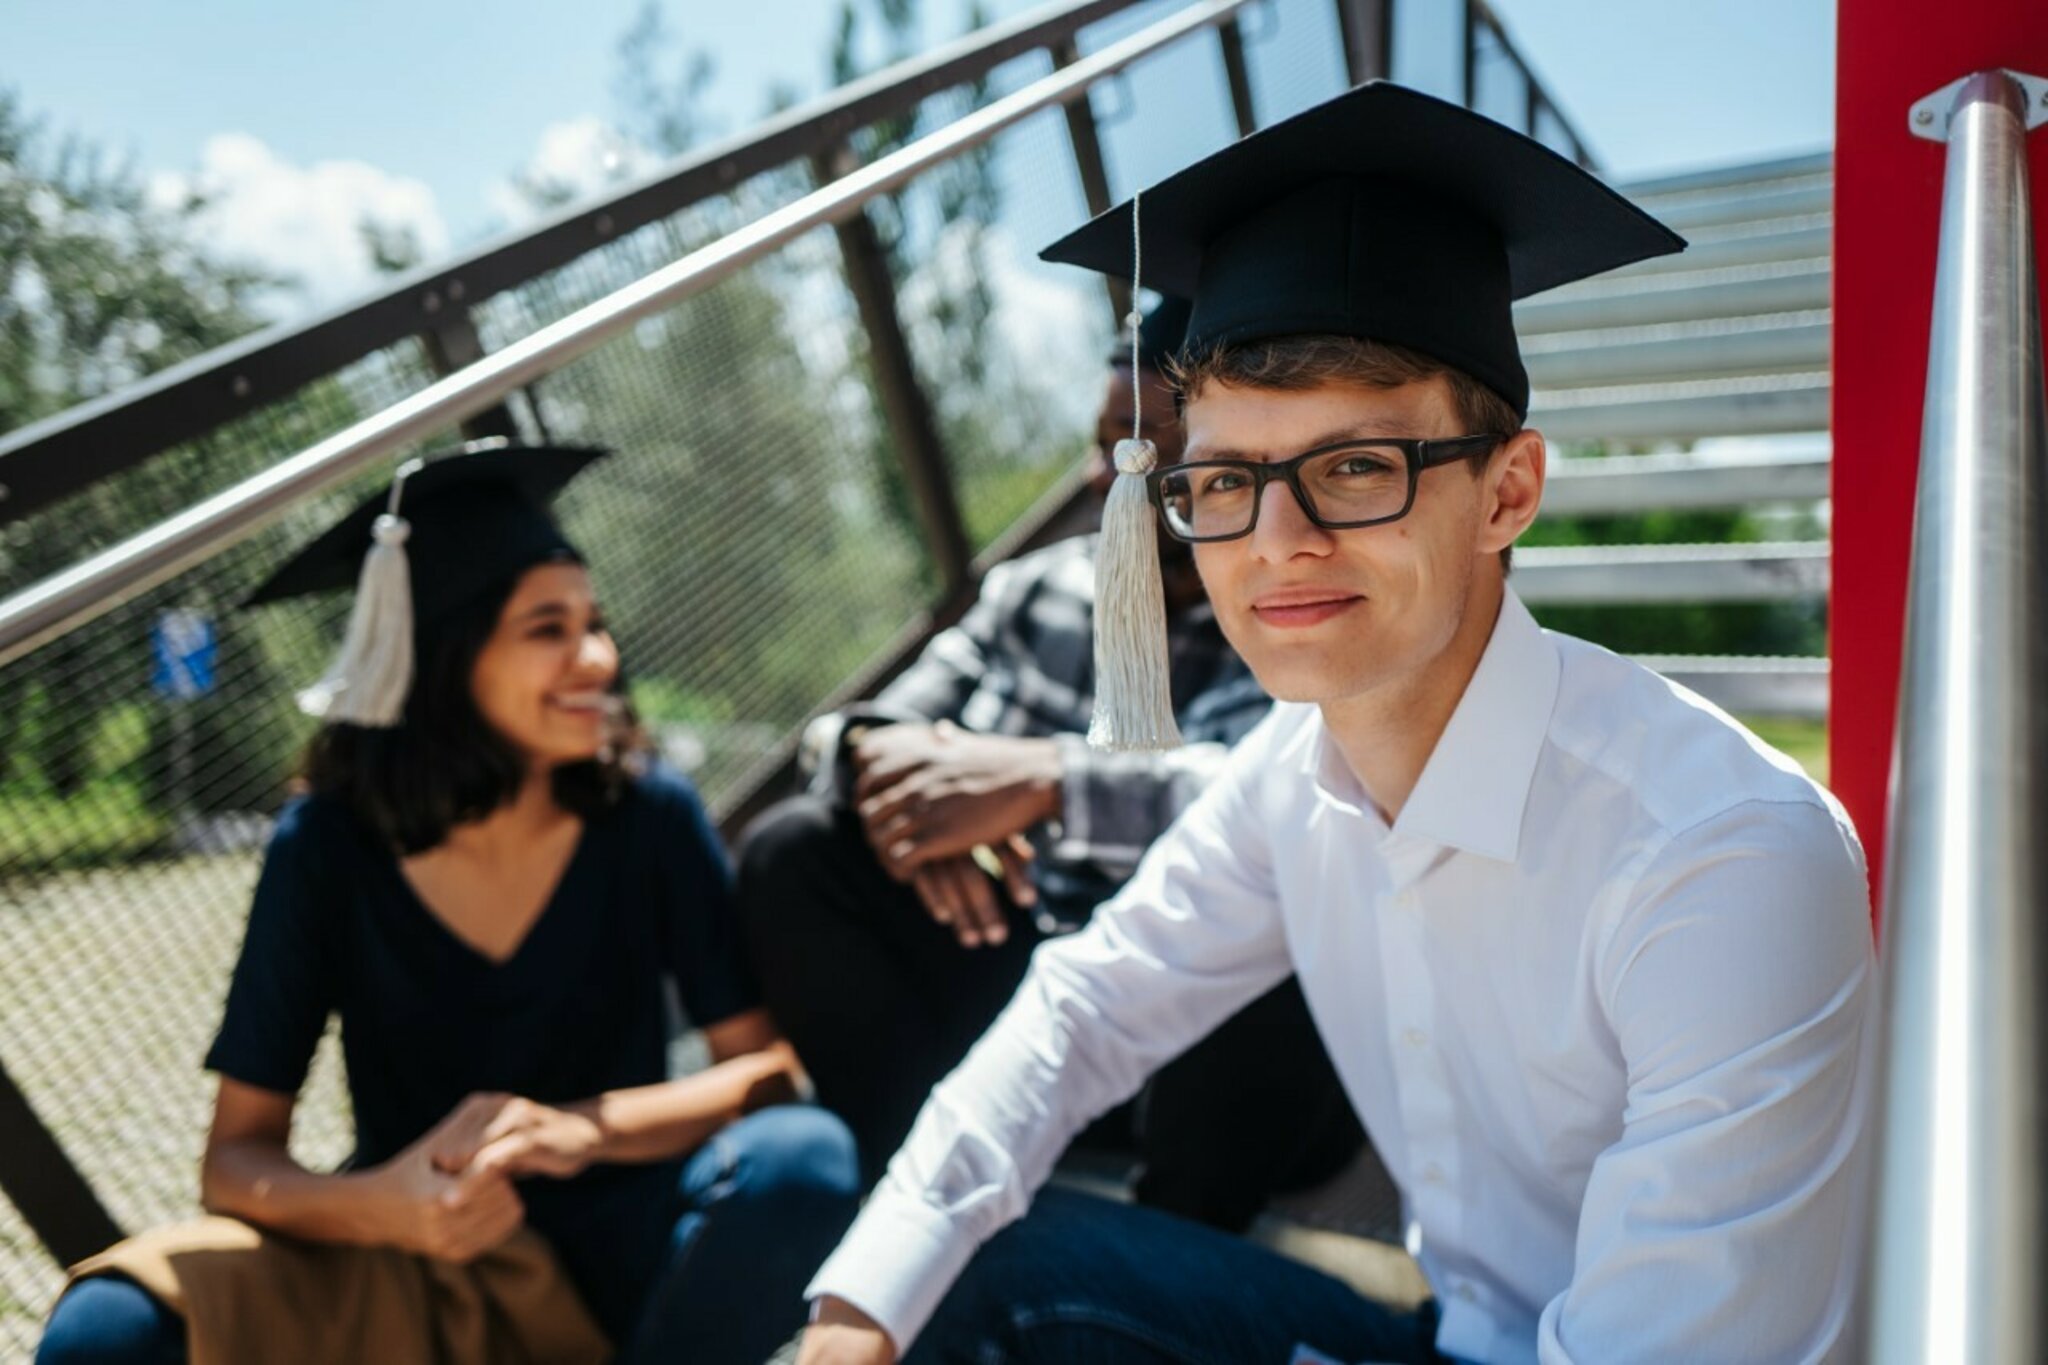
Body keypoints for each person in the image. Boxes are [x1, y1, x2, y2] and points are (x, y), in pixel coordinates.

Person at [798, 81, 1875, 1365]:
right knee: (971, 1281)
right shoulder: (1286, 781)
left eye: (1357, 467)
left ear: (1505, 492)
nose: (1278, 543)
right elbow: (1081, 1015)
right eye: (1223, 483)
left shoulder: (1718, 857)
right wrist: (852, 1315)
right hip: (1442, 1335)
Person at [38, 442, 860, 1365]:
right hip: (414, 1257)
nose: (600, 656)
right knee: (107, 1331)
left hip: (628, 1254)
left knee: (802, 1159)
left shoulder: (650, 813)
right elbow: (235, 1162)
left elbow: (768, 1071)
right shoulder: (326, 846)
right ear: (444, 651)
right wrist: (387, 1204)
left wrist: (580, 1129)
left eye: (596, 621)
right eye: (549, 628)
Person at [738, 300, 1364, 1232]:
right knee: (792, 848)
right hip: (1004, 962)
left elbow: (1274, 790)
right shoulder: (1034, 587)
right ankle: (921, 1205)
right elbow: (853, 733)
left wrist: (1039, 782)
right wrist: (915, 804)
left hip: (1189, 1033)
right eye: (1107, 439)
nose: (1111, 474)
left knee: (1272, 940)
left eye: (1148, 449)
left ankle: (1158, 1269)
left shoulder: (1290, 604)